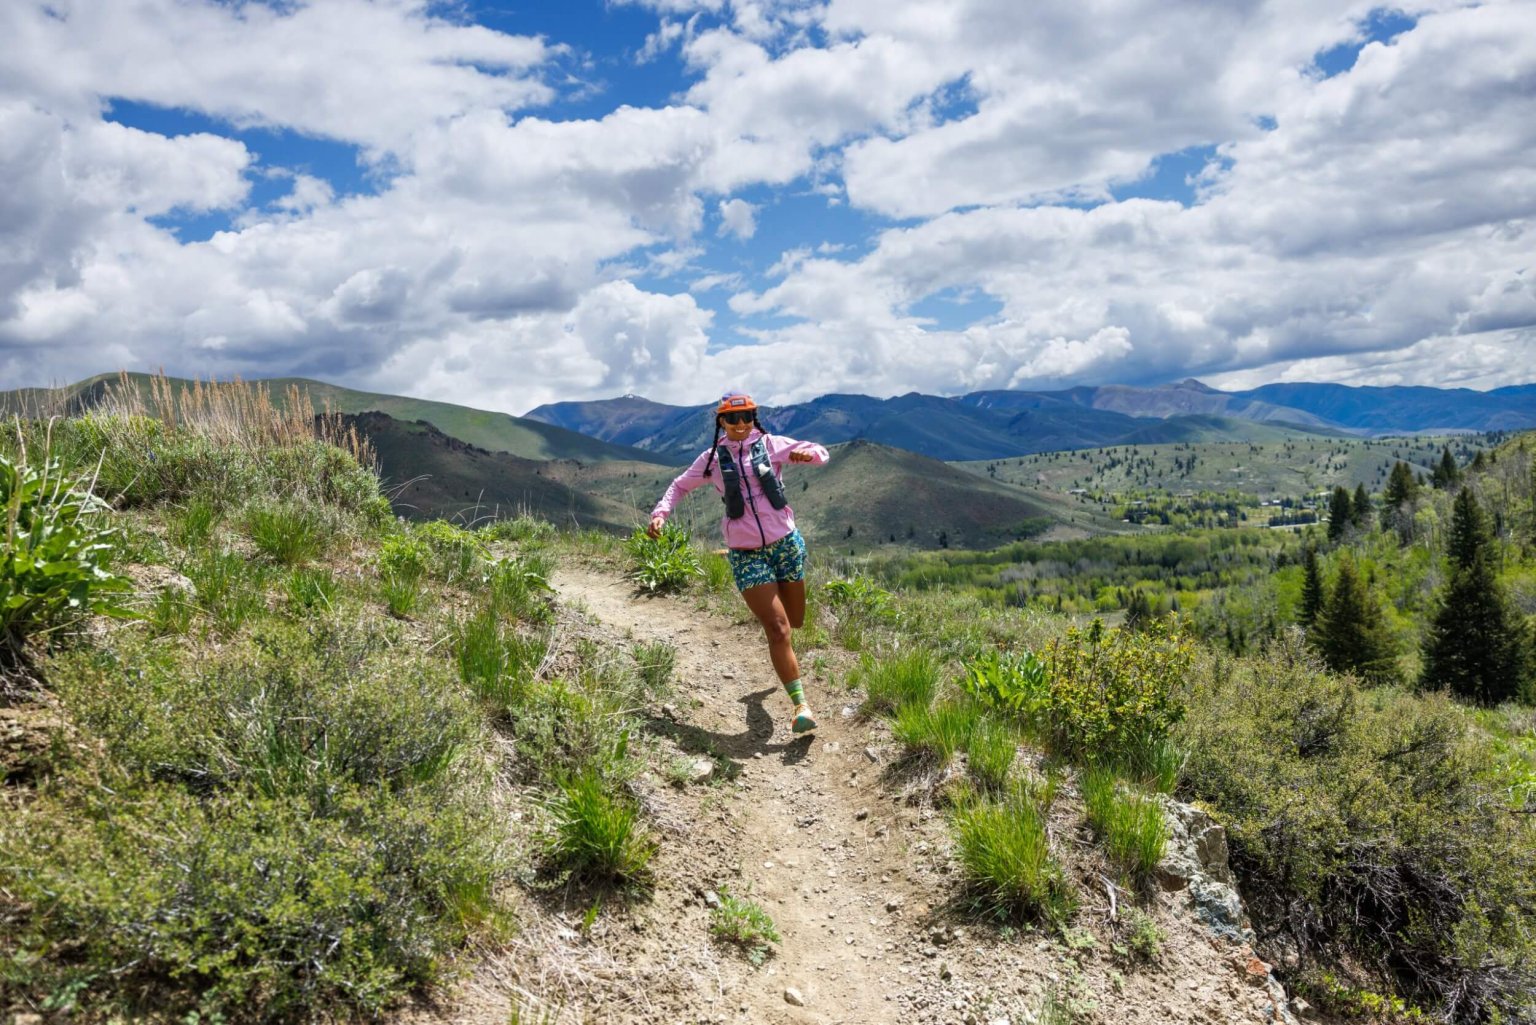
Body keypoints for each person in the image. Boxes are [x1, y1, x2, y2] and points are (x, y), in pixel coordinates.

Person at [648, 391, 829, 735]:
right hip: (746, 553)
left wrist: (809, 454)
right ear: (721, 421)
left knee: (796, 621)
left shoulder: (772, 444)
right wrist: (660, 515)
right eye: (732, 418)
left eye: (747, 416)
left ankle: (757, 699)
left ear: (754, 417)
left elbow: (821, 453)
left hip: (786, 544)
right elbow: (678, 486)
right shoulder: (711, 459)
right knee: (778, 629)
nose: (741, 423)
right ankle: (800, 706)